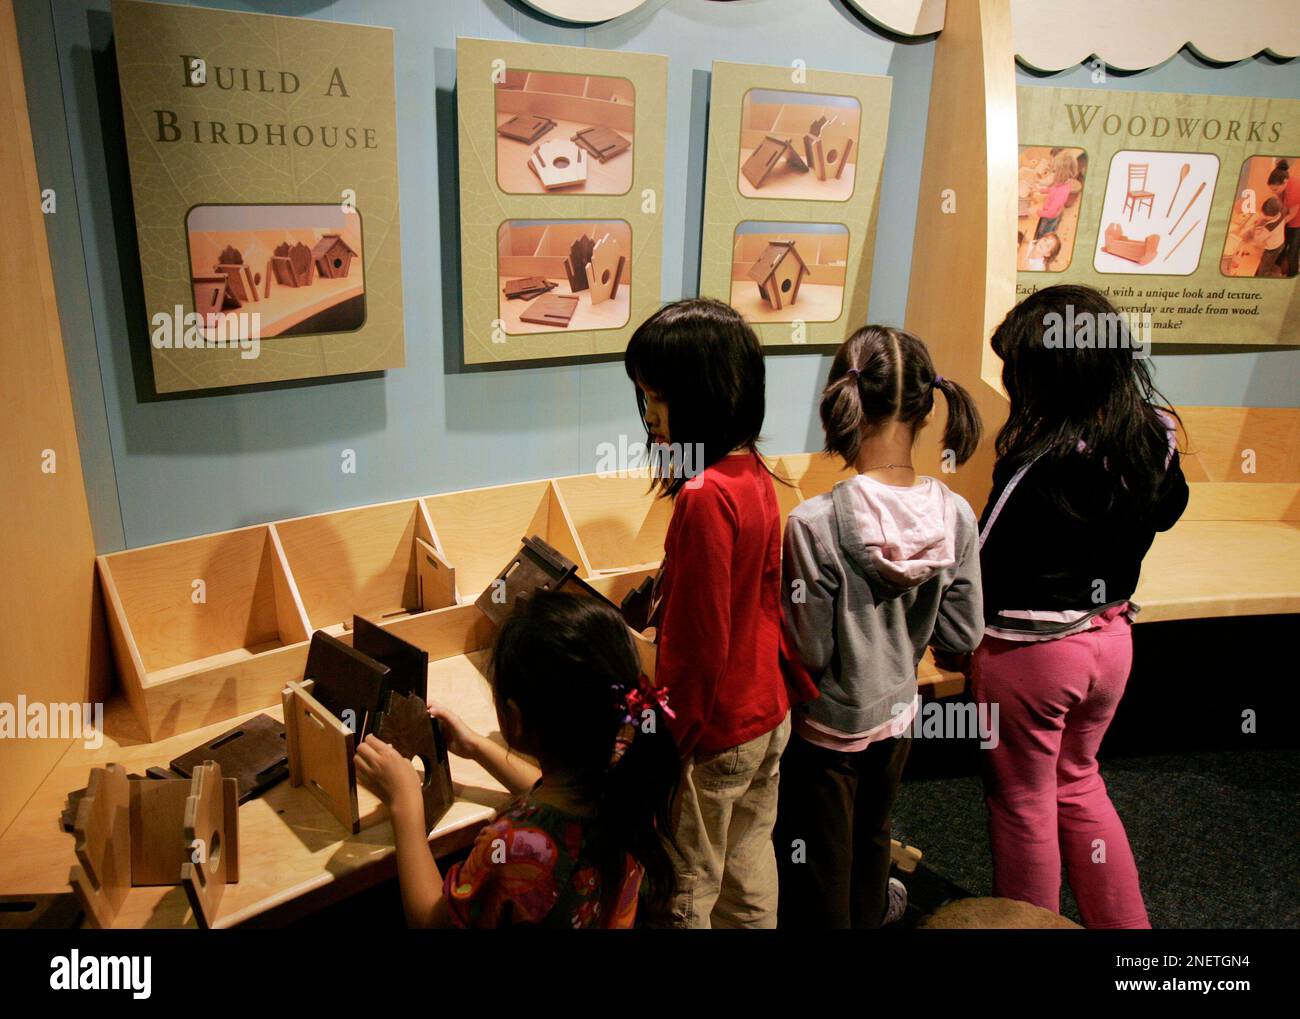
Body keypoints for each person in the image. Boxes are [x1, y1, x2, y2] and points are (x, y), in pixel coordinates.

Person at [974, 284, 1189, 929]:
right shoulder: (1154, 435)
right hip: (1110, 644)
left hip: (1031, 655)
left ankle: (1029, 928)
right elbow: (1171, 509)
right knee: (1080, 781)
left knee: (1022, 802)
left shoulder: (1036, 463)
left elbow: (978, 562)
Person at [775, 325, 984, 928]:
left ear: (845, 397)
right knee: (875, 835)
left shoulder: (814, 524)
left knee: (819, 859)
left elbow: (811, 649)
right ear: (925, 407)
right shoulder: (957, 513)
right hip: (899, 712)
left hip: (828, 730)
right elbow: (962, 636)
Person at [355, 590, 679, 928]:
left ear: (515, 718)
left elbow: (431, 921)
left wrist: (405, 805)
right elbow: (561, 803)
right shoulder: (631, 781)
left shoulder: (514, 847)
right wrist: (477, 747)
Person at [623, 297, 791, 928]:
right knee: (749, 870)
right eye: (643, 395)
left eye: (657, 395)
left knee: (688, 885)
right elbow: (766, 605)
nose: (649, 414)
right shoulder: (752, 471)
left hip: (715, 729)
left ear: (702, 393)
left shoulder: (704, 496)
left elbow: (698, 648)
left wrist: (665, 742)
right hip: (766, 712)